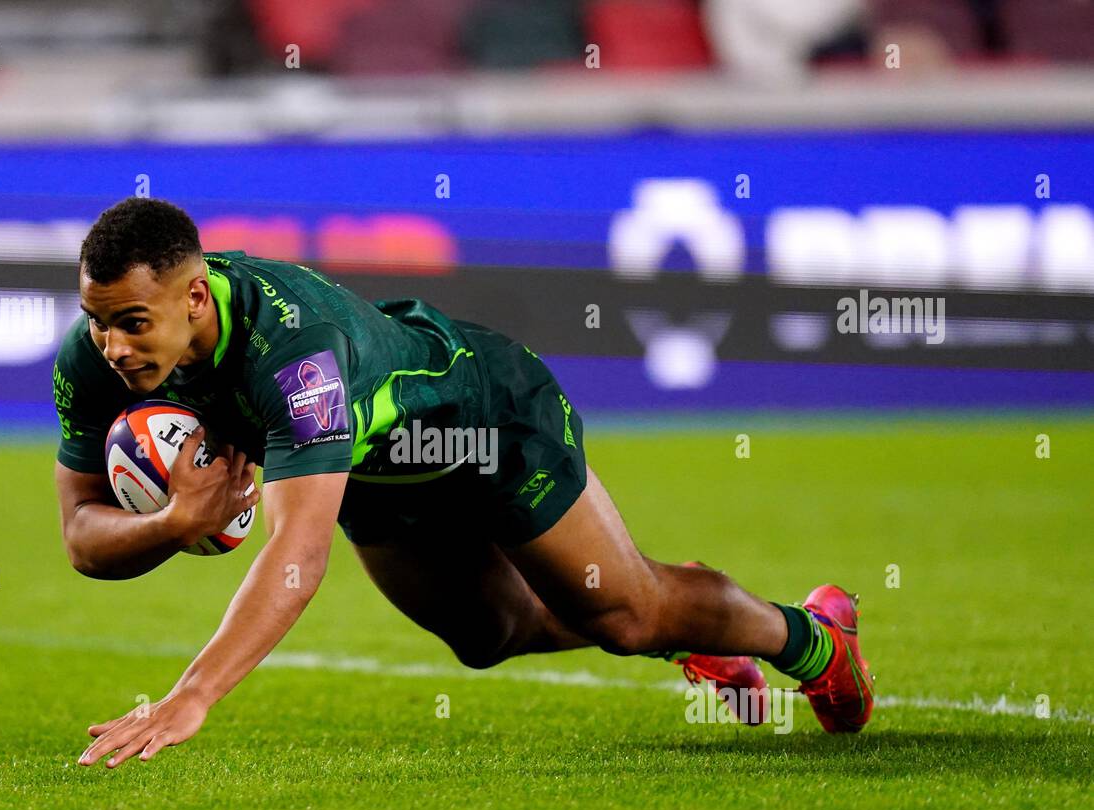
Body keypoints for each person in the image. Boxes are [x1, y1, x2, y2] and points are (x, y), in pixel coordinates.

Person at [55, 198, 873, 769]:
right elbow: (83, 540)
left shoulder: (297, 357)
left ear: (195, 296)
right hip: (377, 472)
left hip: (485, 420)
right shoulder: (94, 361)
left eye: (134, 323)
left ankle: (814, 640)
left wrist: (190, 697)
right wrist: (170, 523)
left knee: (628, 615)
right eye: (100, 322)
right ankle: (698, 632)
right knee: (488, 638)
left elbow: (297, 559)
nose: (115, 346)